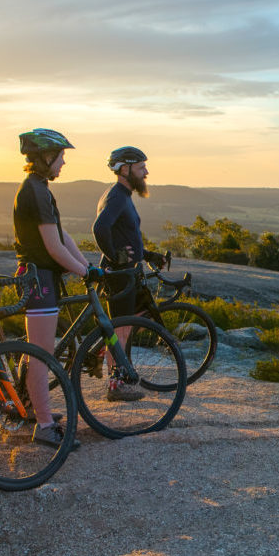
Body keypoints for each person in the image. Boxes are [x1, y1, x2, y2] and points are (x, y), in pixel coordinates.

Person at [13, 128, 90, 446]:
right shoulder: (36, 190)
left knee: (39, 351)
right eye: (61, 156)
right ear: (46, 157)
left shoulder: (39, 187)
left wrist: (87, 266)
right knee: (41, 354)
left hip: (42, 277)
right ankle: (44, 426)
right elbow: (54, 248)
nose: (63, 163)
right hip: (39, 278)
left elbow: (63, 236)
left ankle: (32, 407)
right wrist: (83, 271)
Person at [91, 146, 166, 401]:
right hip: (119, 275)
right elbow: (100, 229)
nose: (146, 172)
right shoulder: (116, 196)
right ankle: (116, 385)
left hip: (124, 272)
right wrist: (115, 257)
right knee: (120, 330)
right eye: (141, 167)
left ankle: (104, 353)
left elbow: (125, 239)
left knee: (129, 322)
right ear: (125, 169)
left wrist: (147, 255)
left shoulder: (122, 194)